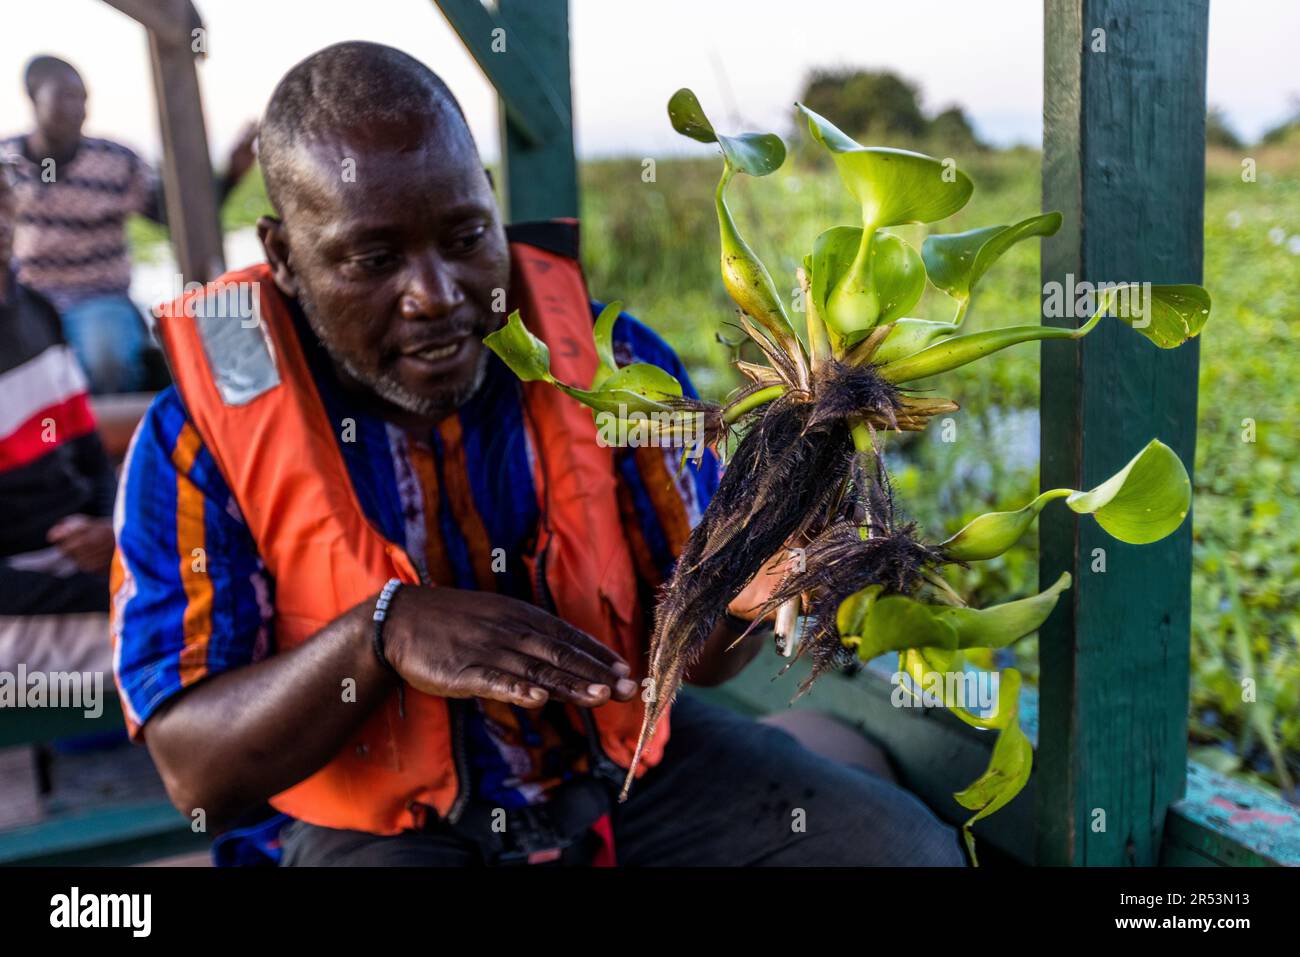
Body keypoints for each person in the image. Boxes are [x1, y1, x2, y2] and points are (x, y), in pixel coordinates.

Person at [110, 41, 966, 867]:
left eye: (463, 236)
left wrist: (749, 591)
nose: (437, 297)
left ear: (489, 201)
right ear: (283, 256)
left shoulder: (613, 363)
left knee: (901, 847)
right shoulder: (193, 436)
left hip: (621, 776)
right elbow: (195, 773)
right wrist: (379, 635)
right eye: (374, 258)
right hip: (375, 827)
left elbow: (700, 660)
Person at [0, 55, 257, 394]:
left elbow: (173, 217)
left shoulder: (116, 162)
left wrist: (229, 179)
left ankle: (98, 436)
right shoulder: (8, 163)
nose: (78, 109)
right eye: (64, 97)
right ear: (34, 98)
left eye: (82, 99)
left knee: (105, 356)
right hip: (27, 297)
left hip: (97, 297)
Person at [0, 155, 117, 676]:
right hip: (21, 600)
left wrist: (111, 530)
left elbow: (91, 455)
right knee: (198, 634)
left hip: (87, 563)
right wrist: (108, 584)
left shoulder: (38, 312)